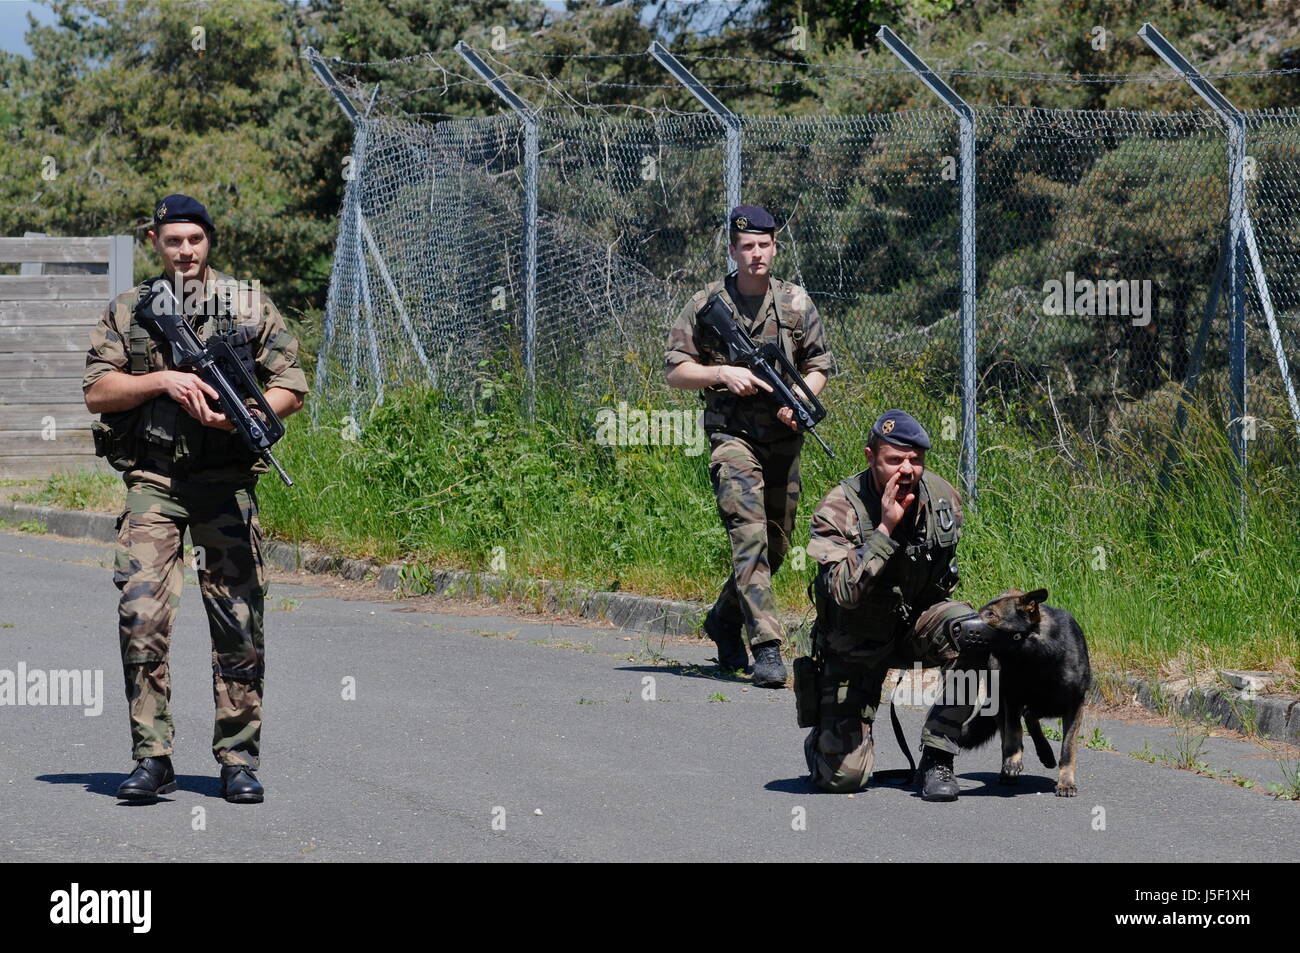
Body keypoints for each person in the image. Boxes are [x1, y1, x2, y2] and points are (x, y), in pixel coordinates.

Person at [82, 194, 308, 803]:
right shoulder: (130, 309)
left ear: (210, 242)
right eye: (173, 240)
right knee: (141, 618)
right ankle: (152, 758)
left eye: (195, 240)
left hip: (225, 486)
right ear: (155, 241)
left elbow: (291, 383)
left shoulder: (248, 304)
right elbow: (98, 392)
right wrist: (164, 380)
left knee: (238, 622)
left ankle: (237, 759)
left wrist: (243, 419)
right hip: (154, 484)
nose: (185, 251)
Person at [664, 205, 833, 688]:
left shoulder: (796, 303)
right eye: (746, 247)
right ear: (733, 251)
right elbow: (675, 370)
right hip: (732, 440)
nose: (756, 254)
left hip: (783, 441)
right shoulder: (706, 304)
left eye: (764, 245)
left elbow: (820, 364)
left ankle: (722, 618)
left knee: (775, 547)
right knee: (749, 536)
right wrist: (722, 373)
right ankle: (767, 647)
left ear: (775, 246)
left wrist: (800, 396)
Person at [803, 410, 987, 801]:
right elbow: (843, 594)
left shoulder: (943, 499)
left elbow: (941, 580)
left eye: (916, 460)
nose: (907, 469)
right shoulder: (840, 509)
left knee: (977, 634)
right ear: (871, 457)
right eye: (894, 459)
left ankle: (938, 757)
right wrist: (885, 529)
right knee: (842, 780)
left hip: (914, 627)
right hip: (857, 640)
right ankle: (828, 738)